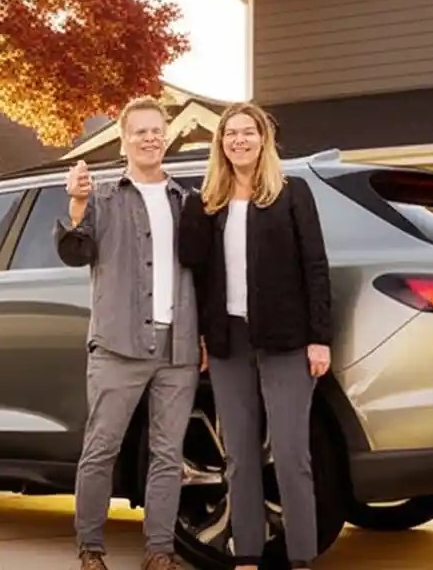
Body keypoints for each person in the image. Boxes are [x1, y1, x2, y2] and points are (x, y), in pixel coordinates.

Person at [178, 101, 333, 570]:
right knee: (240, 459)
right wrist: (194, 207)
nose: (239, 140)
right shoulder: (209, 201)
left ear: (263, 139)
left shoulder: (291, 192)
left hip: (286, 341)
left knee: (291, 456)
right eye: (230, 134)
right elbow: (195, 266)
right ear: (220, 144)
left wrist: (319, 337)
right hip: (229, 343)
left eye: (248, 132)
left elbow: (315, 267)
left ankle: (302, 557)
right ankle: (246, 556)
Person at [55, 96, 201, 570]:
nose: (150, 137)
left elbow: (200, 273)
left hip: (177, 347)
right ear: (124, 141)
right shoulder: (102, 198)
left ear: (167, 137)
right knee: (101, 449)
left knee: (167, 454)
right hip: (118, 346)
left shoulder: (187, 200)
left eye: (157, 129)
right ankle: (90, 550)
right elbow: (75, 252)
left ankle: (159, 553)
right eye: (139, 131)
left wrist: (198, 336)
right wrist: (76, 202)